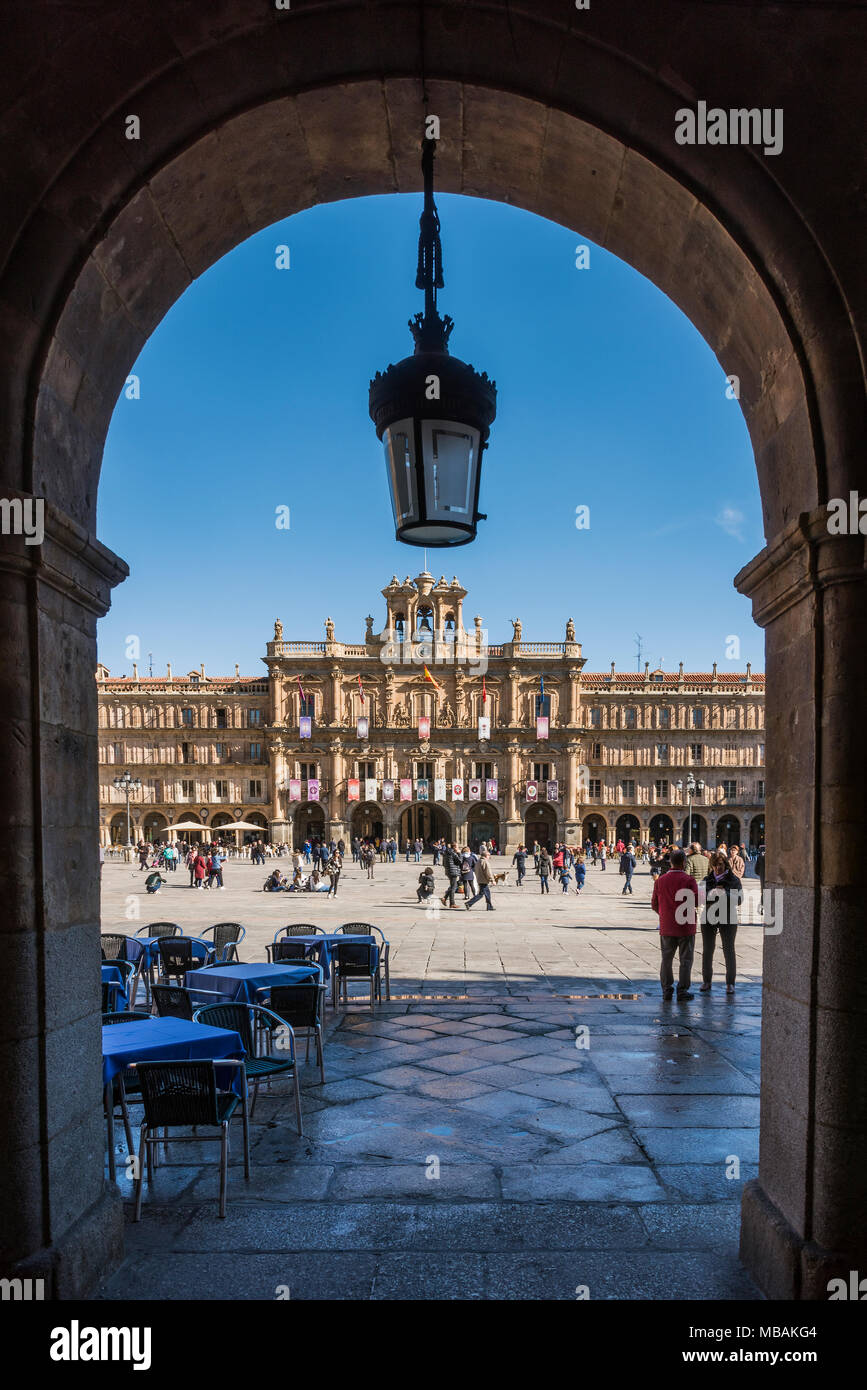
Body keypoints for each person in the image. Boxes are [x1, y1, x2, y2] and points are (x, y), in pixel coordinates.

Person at [651, 847, 699, 1000]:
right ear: (684, 863)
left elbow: (654, 904)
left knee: (666, 959)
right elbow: (696, 901)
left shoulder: (660, 881)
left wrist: (665, 914)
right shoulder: (689, 880)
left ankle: (666, 989)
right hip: (686, 926)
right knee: (686, 959)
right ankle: (682, 990)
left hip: (667, 926)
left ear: (670, 862)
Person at [700, 851, 742, 993]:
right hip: (709, 916)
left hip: (728, 916)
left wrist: (725, 893)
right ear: (711, 865)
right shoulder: (707, 879)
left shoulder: (734, 880)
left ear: (725, 864)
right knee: (707, 949)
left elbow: (739, 899)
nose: (718, 867)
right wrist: (711, 893)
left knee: (729, 949)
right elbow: (699, 898)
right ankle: (706, 981)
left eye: (720, 864)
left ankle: (730, 983)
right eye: (715, 865)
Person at [441, 842, 461, 909]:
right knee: (453, 887)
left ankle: (445, 898)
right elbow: (460, 861)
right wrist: (459, 853)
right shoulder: (453, 853)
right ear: (455, 847)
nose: (458, 848)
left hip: (448, 871)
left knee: (452, 886)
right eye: (457, 847)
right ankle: (452, 903)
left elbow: (443, 863)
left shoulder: (446, 853)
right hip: (453, 871)